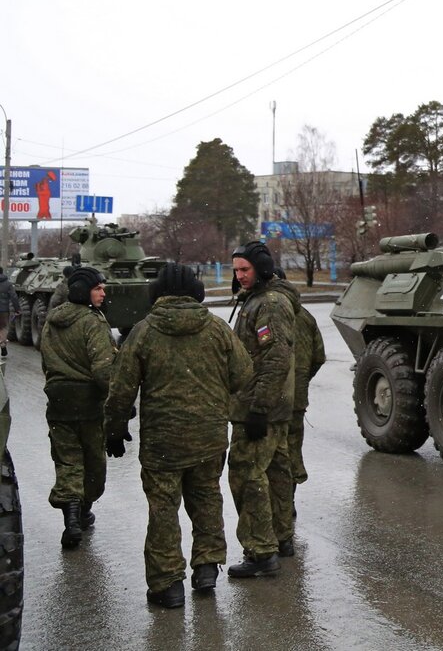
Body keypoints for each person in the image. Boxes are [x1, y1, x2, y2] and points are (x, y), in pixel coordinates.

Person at [105, 263, 253, 609]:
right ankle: (206, 569)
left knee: (163, 510)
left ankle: (168, 585)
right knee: (206, 501)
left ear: (157, 293)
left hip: (163, 444)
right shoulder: (217, 329)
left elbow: (121, 389)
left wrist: (114, 430)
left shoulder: (143, 332)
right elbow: (244, 375)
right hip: (209, 437)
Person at [227, 241, 295, 577]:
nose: (239, 276)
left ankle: (260, 552)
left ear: (262, 269)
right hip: (274, 406)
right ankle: (281, 539)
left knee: (246, 474)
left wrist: (258, 408)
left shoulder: (267, 304)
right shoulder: (259, 299)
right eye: (236, 270)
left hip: (260, 407)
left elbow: (276, 357)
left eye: (245, 270)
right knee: (276, 472)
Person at [39, 266, 117, 549]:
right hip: (88, 403)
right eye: (98, 288)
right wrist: (117, 401)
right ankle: (83, 511)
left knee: (67, 460)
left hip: (58, 400)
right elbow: (103, 370)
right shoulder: (92, 322)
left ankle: (71, 520)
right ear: (85, 292)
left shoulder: (52, 321)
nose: (103, 292)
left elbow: (46, 362)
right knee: (93, 462)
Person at [272, 271, 325, 524]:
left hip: (270, 399)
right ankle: (288, 504)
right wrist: (302, 379)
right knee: (292, 450)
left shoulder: (267, 312)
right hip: (297, 400)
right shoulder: (307, 317)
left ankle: (274, 507)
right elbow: (319, 357)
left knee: (271, 453)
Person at [0, 271, 18, 357]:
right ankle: (3, 345)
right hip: (4, 310)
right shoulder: (8, 284)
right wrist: (17, 309)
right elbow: (14, 297)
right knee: (3, 328)